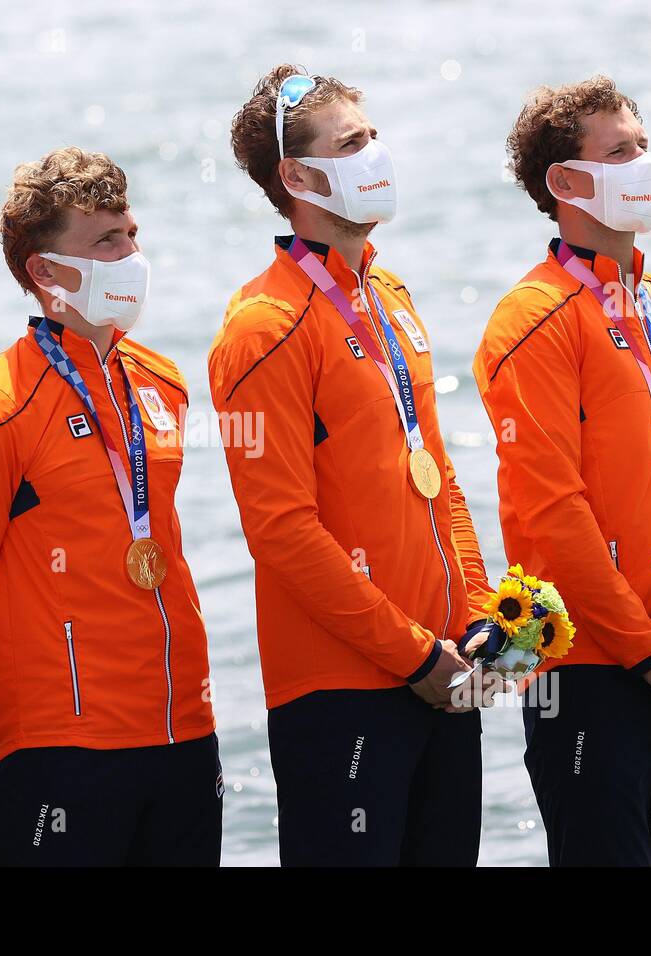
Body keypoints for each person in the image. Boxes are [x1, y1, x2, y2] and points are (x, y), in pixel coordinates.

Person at [472, 76, 651, 866]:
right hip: (599, 671)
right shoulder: (531, 319)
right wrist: (646, 654)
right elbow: (552, 512)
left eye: (643, 144)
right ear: (565, 183)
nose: (645, 164)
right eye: (620, 151)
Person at [208, 66, 493, 866]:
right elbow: (280, 531)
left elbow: (437, 477)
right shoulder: (262, 328)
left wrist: (476, 615)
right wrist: (410, 652)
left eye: (374, 135)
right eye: (353, 143)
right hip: (343, 690)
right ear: (296, 177)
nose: (378, 154)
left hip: (444, 668)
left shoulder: (388, 292)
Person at [0, 147, 220, 866]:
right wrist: (33, 708)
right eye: (108, 241)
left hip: (182, 730)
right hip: (61, 748)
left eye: (132, 233)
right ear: (46, 273)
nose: (132, 254)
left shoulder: (162, 381)